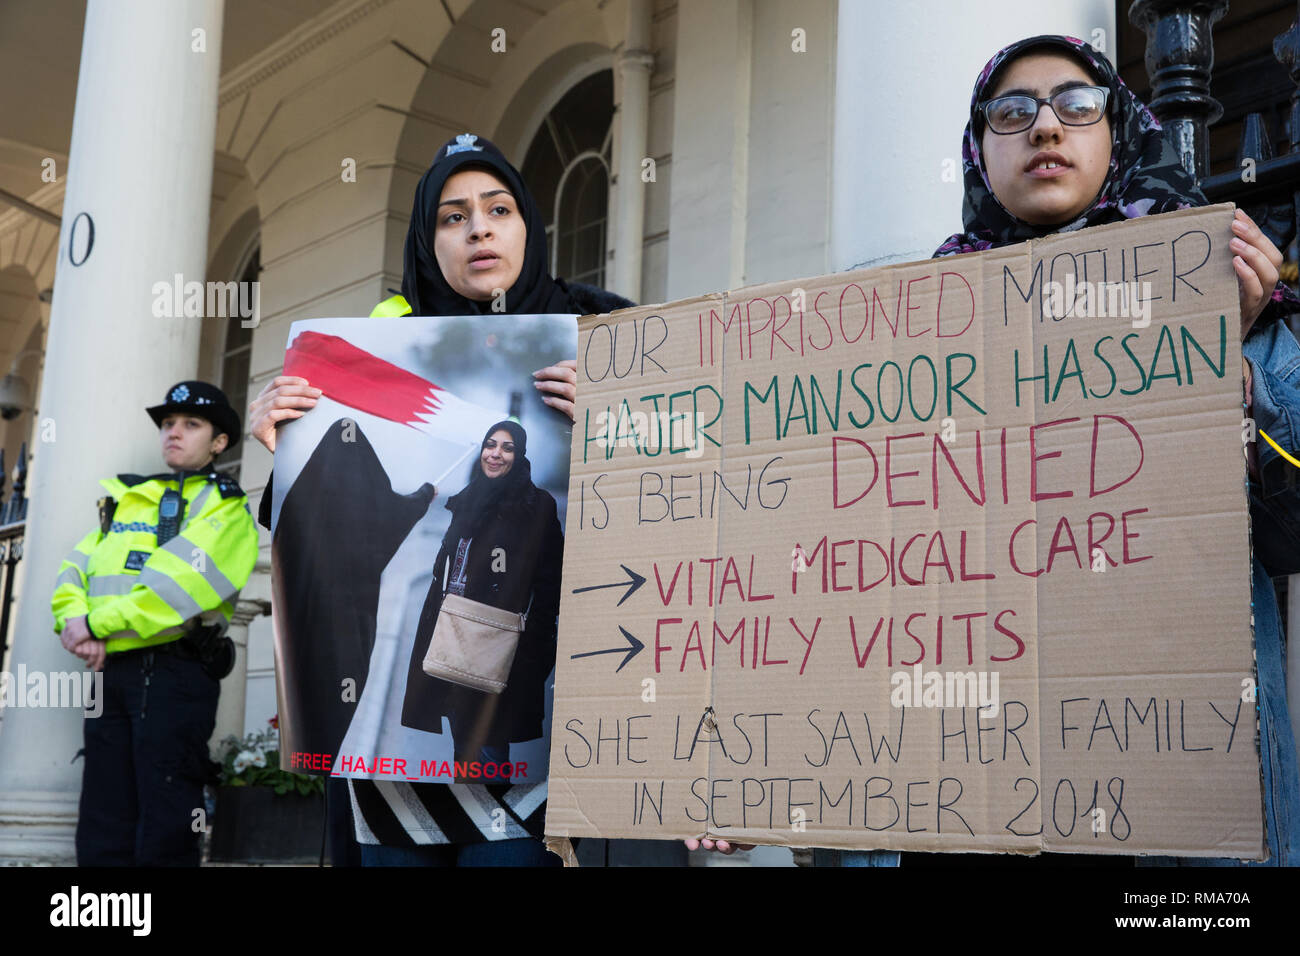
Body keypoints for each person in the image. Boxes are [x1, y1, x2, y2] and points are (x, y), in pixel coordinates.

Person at [926, 33, 1296, 867]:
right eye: (1013, 112)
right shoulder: (919, 333)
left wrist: (1224, 366)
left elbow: (1290, 527)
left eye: (1076, 106)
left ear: (1119, 131)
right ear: (980, 150)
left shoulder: (1221, 288)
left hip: (1182, 771)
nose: (1045, 129)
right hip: (985, 776)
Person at [248, 133, 651, 866]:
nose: (479, 229)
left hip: (551, 740)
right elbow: (321, 538)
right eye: (452, 215)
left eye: (498, 209)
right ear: (428, 240)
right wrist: (292, 452)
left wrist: (623, 422)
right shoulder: (366, 363)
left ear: (529, 225)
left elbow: (678, 511)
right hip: (402, 759)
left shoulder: (614, 340)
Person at [52, 380, 259, 866]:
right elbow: (73, 572)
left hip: (173, 674)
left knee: (166, 815)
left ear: (219, 442)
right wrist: (75, 621)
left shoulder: (225, 506)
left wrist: (95, 626)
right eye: (168, 424)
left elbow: (174, 592)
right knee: (104, 811)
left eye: (191, 424)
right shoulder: (126, 498)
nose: (173, 433)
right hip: (110, 673)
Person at [400, 420, 562, 784]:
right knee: (465, 745)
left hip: (501, 645)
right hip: (455, 635)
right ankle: (475, 821)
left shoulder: (537, 505)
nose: (496, 454)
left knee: (489, 745)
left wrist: (533, 639)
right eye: (491, 445)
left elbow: (551, 578)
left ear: (519, 455)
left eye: (507, 447)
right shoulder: (469, 498)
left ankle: (489, 825)